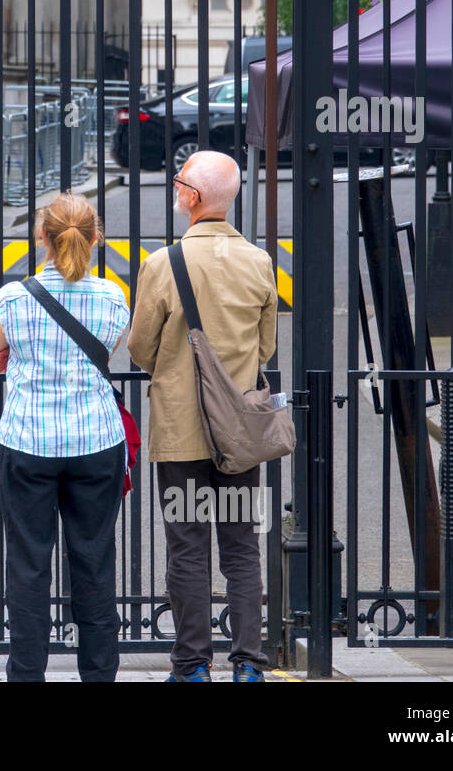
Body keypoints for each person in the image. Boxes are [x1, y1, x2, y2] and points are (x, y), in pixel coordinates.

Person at [127, 150, 277, 683]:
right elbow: (265, 348)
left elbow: (141, 349)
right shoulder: (260, 263)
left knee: (187, 547)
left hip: (182, 432)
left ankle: (192, 664)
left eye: (179, 181)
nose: (175, 188)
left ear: (191, 196)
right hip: (238, 432)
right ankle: (249, 665)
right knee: (241, 546)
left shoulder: (163, 264)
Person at [0, 192, 131, 682]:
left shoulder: (10, 298)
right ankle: (98, 674)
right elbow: (106, 350)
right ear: (96, 239)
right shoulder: (114, 297)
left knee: (27, 566)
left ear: (40, 237)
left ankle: (27, 674)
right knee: (94, 561)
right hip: (96, 441)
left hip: (28, 440)